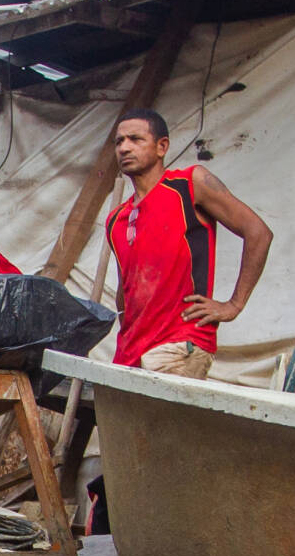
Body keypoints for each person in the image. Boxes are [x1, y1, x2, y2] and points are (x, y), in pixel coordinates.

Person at [105, 109, 273, 379]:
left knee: (159, 408)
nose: (124, 148)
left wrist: (234, 304)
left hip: (178, 344)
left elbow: (258, 232)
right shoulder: (116, 220)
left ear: (162, 147)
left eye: (135, 139)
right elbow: (126, 287)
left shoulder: (189, 184)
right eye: (119, 141)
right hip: (129, 352)